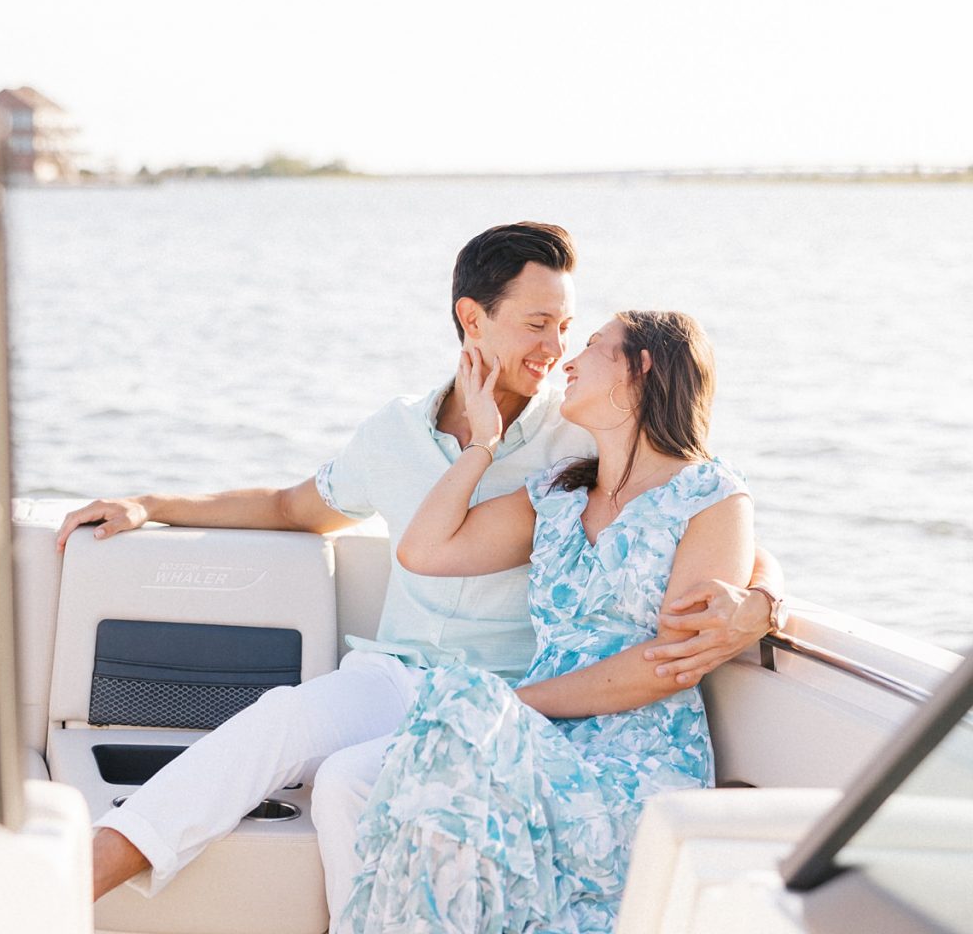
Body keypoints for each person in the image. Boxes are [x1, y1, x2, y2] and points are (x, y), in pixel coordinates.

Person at [55, 223, 784, 914]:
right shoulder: (400, 433)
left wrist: (765, 600)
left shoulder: (583, 430)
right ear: (474, 318)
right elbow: (291, 507)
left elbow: (699, 514)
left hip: (509, 691)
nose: (557, 349)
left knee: (350, 779)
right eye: (538, 325)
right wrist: (151, 503)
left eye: (569, 328)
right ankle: (60, 888)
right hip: (399, 676)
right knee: (279, 721)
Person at [339, 311, 747, 933]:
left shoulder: (711, 496)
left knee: (457, 716)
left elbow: (669, 663)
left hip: (636, 761)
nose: (569, 361)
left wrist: (509, 706)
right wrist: (483, 441)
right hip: (542, 740)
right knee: (444, 739)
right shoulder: (556, 498)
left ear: (641, 369)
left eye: (592, 346)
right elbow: (424, 552)